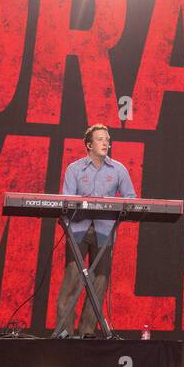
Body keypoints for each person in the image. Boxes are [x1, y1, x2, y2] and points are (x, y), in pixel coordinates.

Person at [52, 124, 135, 338]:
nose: (106, 143)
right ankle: (65, 333)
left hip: (104, 232)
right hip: (78, 230)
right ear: (89, 144)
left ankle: (87, 331)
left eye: (107, 139)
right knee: (73, 278)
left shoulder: (119, 169)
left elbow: (131, 200)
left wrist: (118, 205)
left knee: (99, 283)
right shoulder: (74, 169)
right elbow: (67, 200)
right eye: (100, 139)